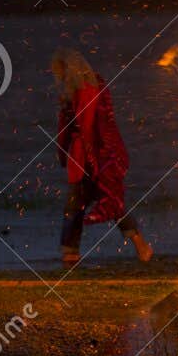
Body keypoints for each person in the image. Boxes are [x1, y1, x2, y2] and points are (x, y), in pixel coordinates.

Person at [52, 49, 153, 267]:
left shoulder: (87, 92)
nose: (61, 79)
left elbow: (88, 129)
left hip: (91, 161)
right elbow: (69, 130)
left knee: (86, 204)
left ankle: (70, 254)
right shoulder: (79, 94)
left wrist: (91, 162)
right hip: (85, 160)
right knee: (104, 203)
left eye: (64, 75)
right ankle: (139, 243)